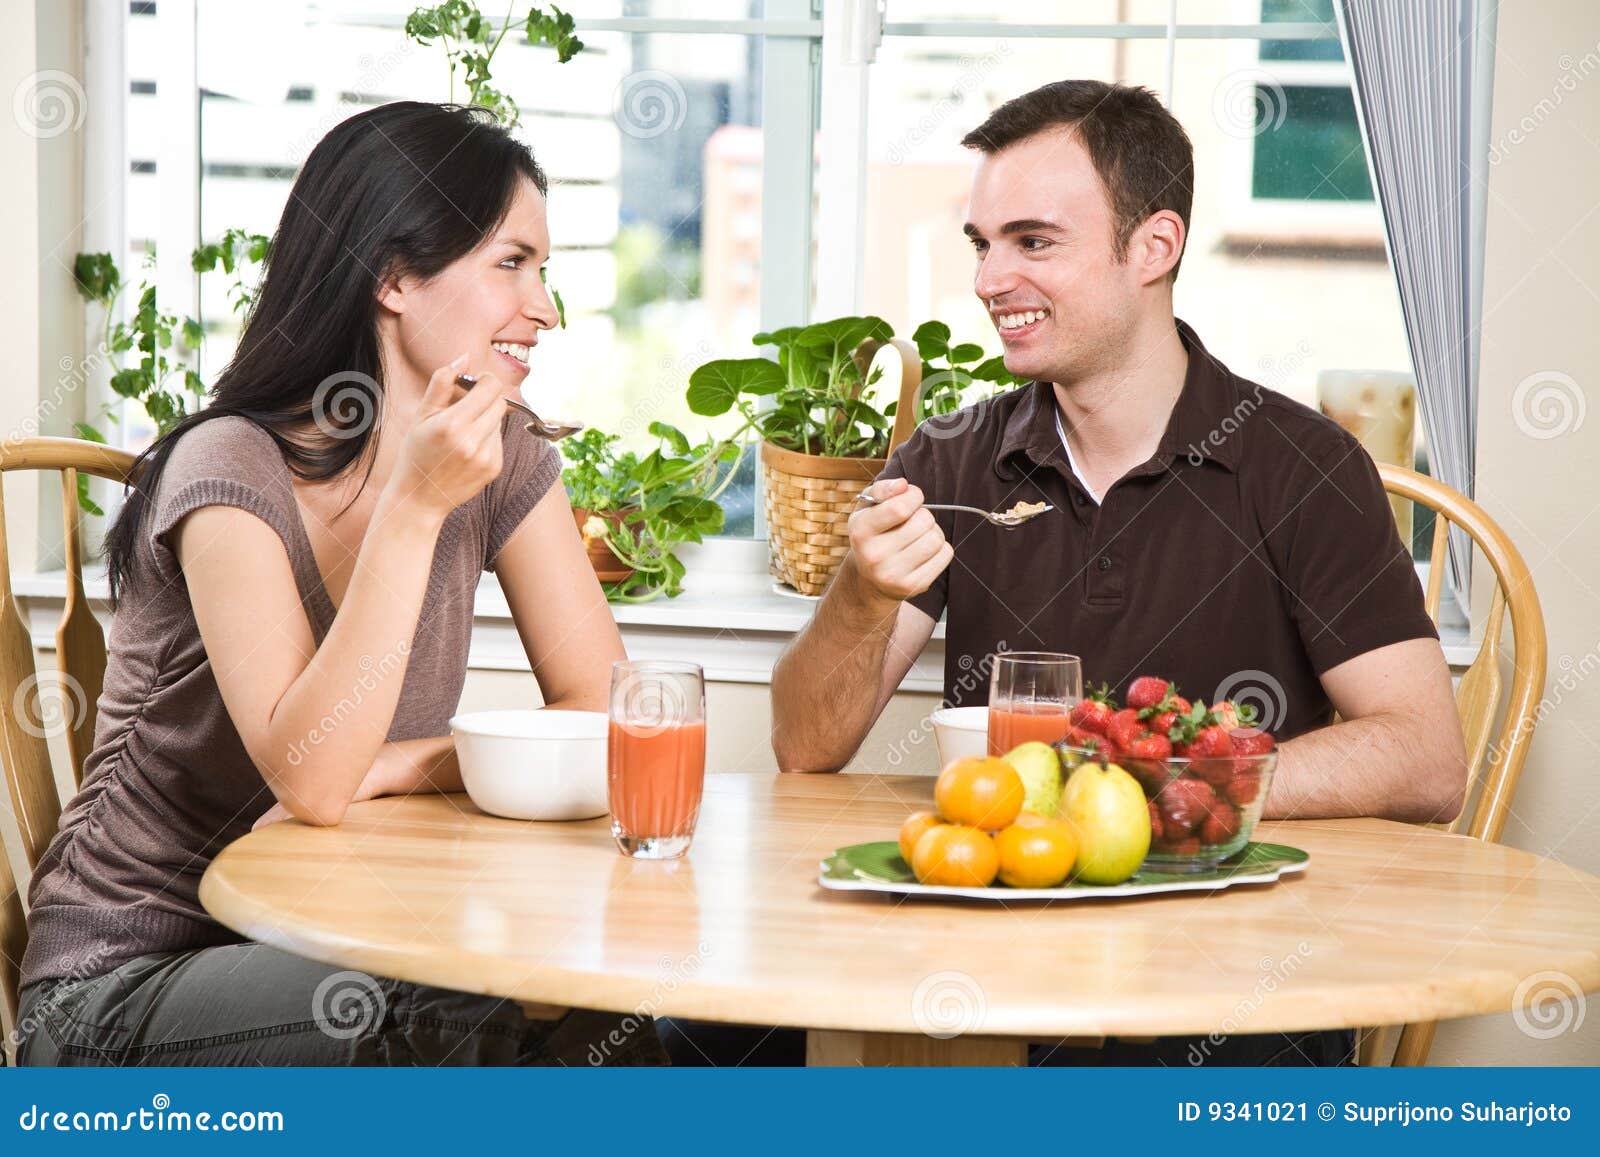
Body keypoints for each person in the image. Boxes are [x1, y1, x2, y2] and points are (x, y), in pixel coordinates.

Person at [769, 80, 1467, 1068]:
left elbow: (1424, 760)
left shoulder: (1299, 466)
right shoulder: (949, 461)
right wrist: (859, 593)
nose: (988, 279)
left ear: (1154, 247)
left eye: (1033, 241)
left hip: (1233, 981)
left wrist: (1150, 793)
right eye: (981, 243)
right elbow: (805, 743)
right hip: (992, 961)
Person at [17, 102, 664, 1066]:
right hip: (124, 984)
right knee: (442, 992)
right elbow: (315, 779)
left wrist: (402, 765)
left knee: (609, 1003)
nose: (543, 307)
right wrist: (413, 507)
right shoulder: (227, 471)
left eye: (545, 271)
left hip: (327, 936)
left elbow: (609, 710)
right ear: (394, 275)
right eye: (512, 263)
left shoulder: (505, 460)